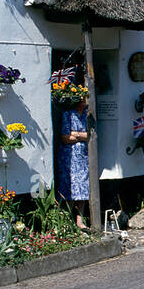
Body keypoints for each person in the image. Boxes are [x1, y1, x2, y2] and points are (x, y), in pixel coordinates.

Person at [56, 96, 90, 228]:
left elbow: (91, 135)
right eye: (82, 99)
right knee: (70, 188)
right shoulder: (68, 114)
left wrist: (75, 134)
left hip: (83, 157)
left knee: (83, 188)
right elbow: (65, 137)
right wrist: (82, 135)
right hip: (69, 158)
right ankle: (67, 221)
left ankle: (79, 221)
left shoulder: (88, 115)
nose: (84, 102)